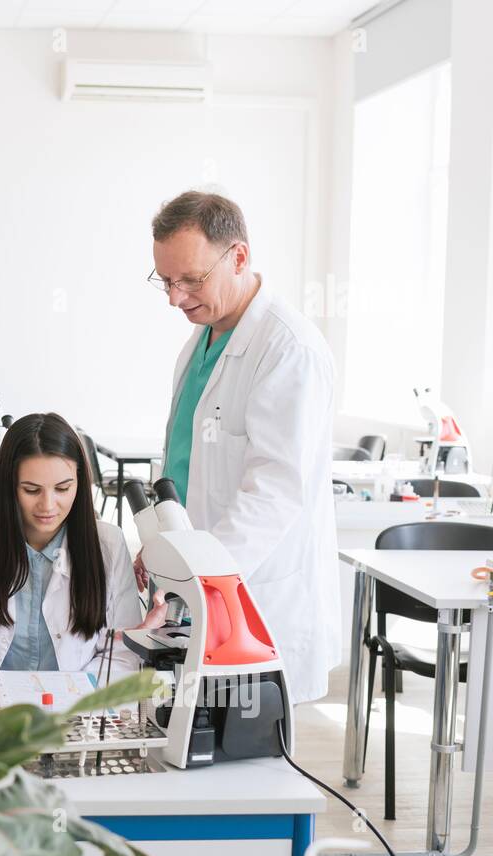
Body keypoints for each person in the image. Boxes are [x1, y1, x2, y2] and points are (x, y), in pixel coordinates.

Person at [143, 190, 339, 703]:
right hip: (201, 583)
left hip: (256, 592)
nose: (174, 297)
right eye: (165, 281)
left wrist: (198, 576)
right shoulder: (202, 340)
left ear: (239, 256)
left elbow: (276, 491)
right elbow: (186, 464)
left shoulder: (287, 348)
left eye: (190, 279)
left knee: (254, 759)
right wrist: (166, 551)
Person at [0, 412, 163, 671]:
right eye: (31, 490)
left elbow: (121, 657)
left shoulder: (108, 545)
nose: (47, 505)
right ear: (10, 486)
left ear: (80, 483)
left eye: (63, 488)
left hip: (73, 708)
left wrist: (70, 701)